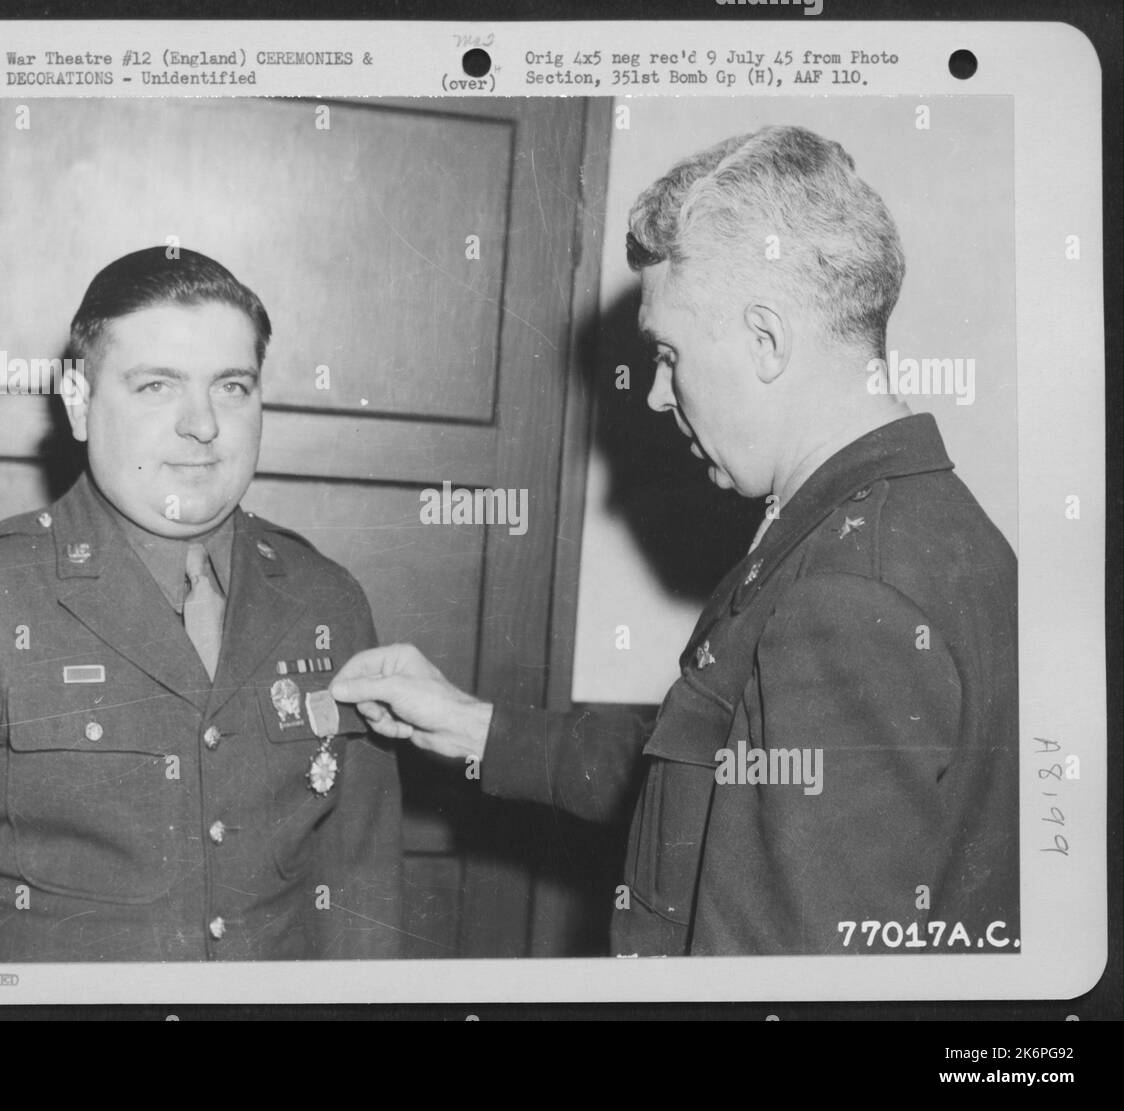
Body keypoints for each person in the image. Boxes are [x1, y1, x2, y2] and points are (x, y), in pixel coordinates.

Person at [331, 125, 1019, 957]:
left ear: (766, 341)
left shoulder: (849, 593)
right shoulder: (922, 529)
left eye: (668, 354)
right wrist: (471, 725)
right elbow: (713, 772)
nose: (657, 395)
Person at [0, 247, 402, 962]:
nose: (204, 424)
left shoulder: (325, 600)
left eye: (233, 387)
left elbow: (360, 896)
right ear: (81, 404)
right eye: (157, 386)